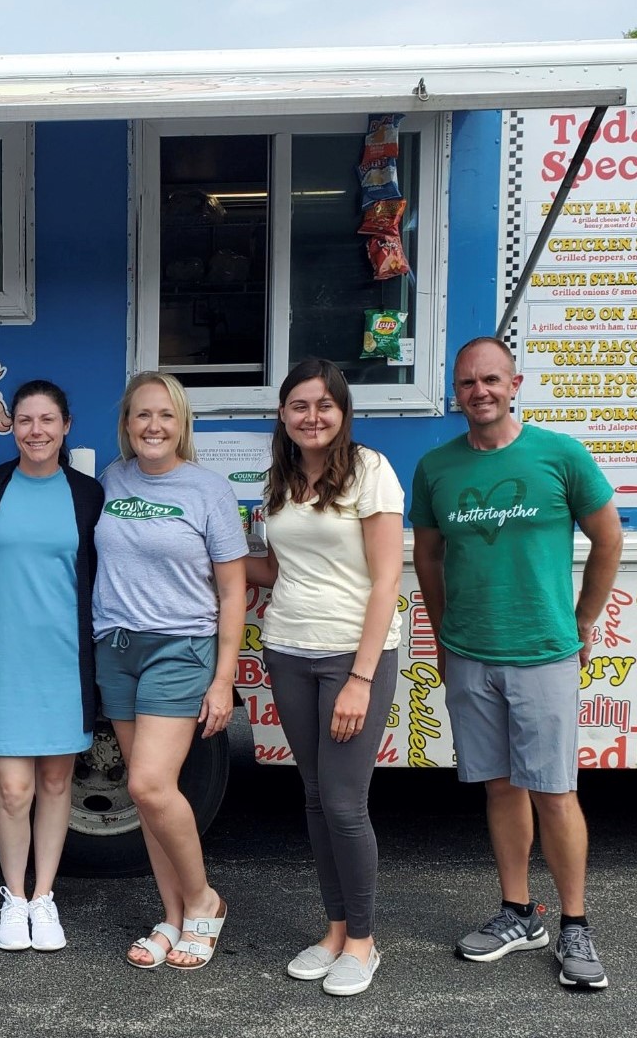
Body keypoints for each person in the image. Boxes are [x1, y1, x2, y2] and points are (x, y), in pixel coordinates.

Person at [411, 336, 622, 991]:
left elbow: (608, 536)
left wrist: (583, 620)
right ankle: (516, 911)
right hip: (471, 655)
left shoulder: (559, 455)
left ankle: (574, 923)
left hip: (542, 653)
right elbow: (427, 557)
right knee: (499, 786)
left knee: (554, 791)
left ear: (514, 383)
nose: (479, 390)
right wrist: (444, 636)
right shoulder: (435, 467)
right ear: (456, 391)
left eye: (491, 379)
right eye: (467, 382)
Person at [245, 359, 403, 996]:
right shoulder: (278, 481)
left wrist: (361, 677)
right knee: (313, 797)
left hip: (351, 657)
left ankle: (363, 943)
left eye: (324, 406)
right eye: (299, 406)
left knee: (343, 802)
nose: (312, 417)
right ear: (283, 415)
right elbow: (278, 569)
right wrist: (202, 564)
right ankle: (334, 929)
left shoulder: (370, 471)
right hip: (287, 648)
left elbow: (387, 579)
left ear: (343, 412)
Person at [92, 371, 248, 971]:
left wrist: (223, 677)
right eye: (141, 416)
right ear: (127, 425)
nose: (153, 426)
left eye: (165, 415)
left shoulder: (209, 490)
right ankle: (173, 916)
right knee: (153, 797)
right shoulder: (113, 477)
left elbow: (232, 591)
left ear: (182, 423)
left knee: (148, 786)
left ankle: (205, 900)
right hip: (117, 647)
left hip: (179, 648)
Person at [0, 380, 105, 952]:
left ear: (66, 425)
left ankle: (44, 897)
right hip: (5, 659)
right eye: (25, 420)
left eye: (48, 420)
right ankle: (13, 898)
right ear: (11, 425)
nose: (36, 431)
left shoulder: (88, 495)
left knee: (55, 781)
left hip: (66, 662)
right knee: (13, 789)